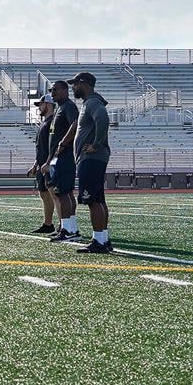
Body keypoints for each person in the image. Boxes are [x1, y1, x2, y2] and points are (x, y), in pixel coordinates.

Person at [69, 72, 113, 254]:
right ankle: (103, 238)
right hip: (93, 159)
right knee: (98, 199)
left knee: (92, 200)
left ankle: (99, 241)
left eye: (75, 84)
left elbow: (103, 119)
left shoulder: (93, 103)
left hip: (91, 158)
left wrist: (96, 145)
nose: (73, 87)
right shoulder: (91, 102)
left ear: (84, 84)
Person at [41, 80, 80, 243]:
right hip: (58, 157)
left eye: (55, 89)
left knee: (62, 193)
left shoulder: (69, 106)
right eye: (51, 90)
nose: (52, 92)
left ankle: (68, 229)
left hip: (64, 156)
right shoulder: (60, 109)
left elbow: (75, 123)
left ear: (65, 90)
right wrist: (49, 160)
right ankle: (71, 228)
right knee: (65, 193)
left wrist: (63, 143)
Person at [28, 94, 57, 234]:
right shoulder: (45, 123)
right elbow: (41, 147)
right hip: (42, 164)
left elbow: (54, 146)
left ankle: (65, 226)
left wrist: (48, 163)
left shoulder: (53, 122)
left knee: (55, 195)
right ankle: (48, 223)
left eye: (41, 104)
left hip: (49, 164)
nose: (39, 107)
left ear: (49, 104)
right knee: (44, 194)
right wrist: (35, 164)